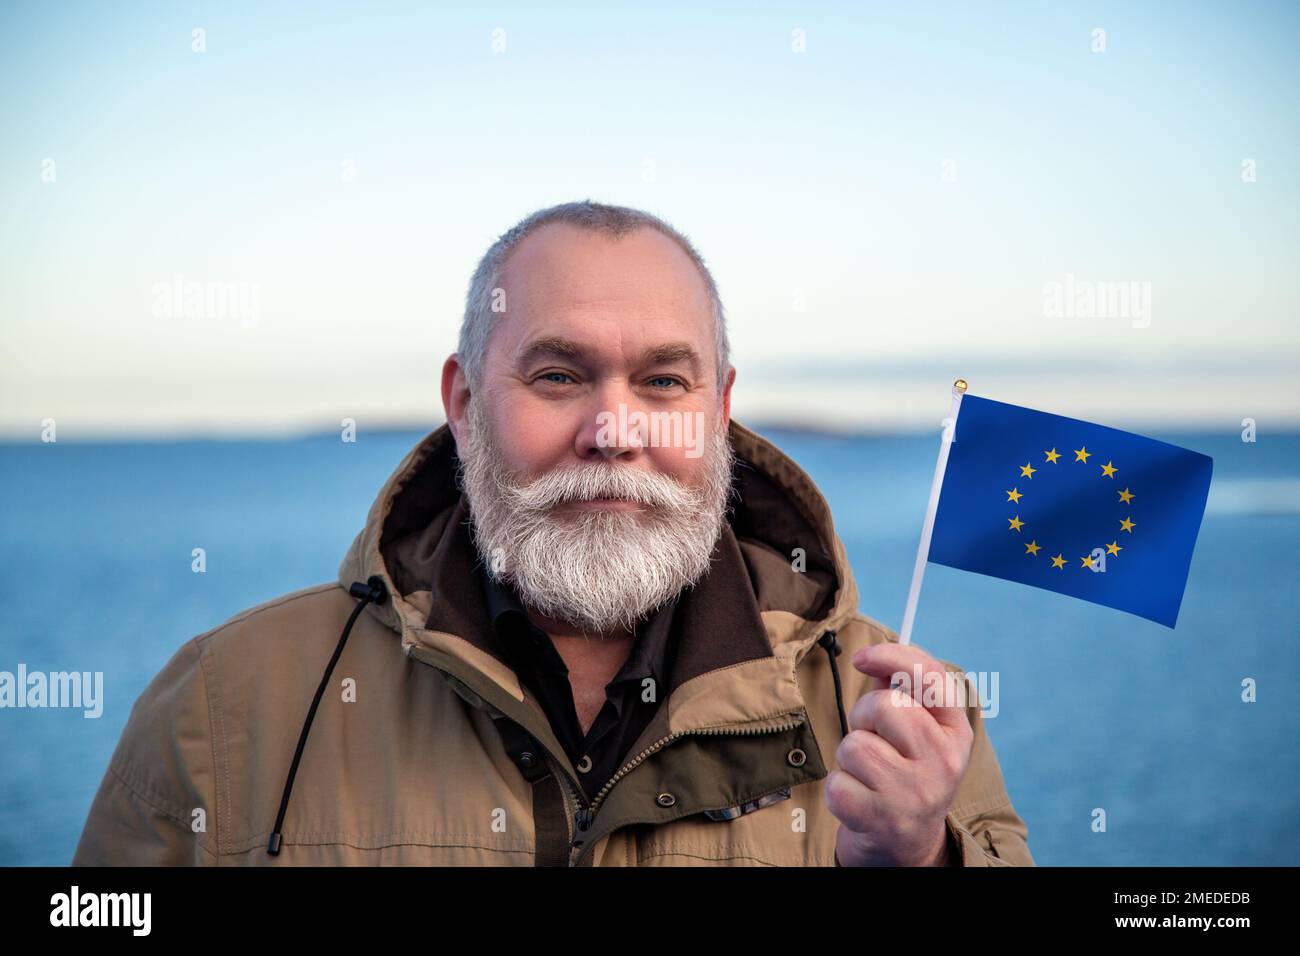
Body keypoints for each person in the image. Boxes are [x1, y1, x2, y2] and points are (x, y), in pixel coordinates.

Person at [72, 200, 1033, 866]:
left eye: (663, 382)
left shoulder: (900, 718)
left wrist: (920, 861)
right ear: (464, 402)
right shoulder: (228, 702)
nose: (613, 431)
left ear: (719, 407)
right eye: (560, 377)